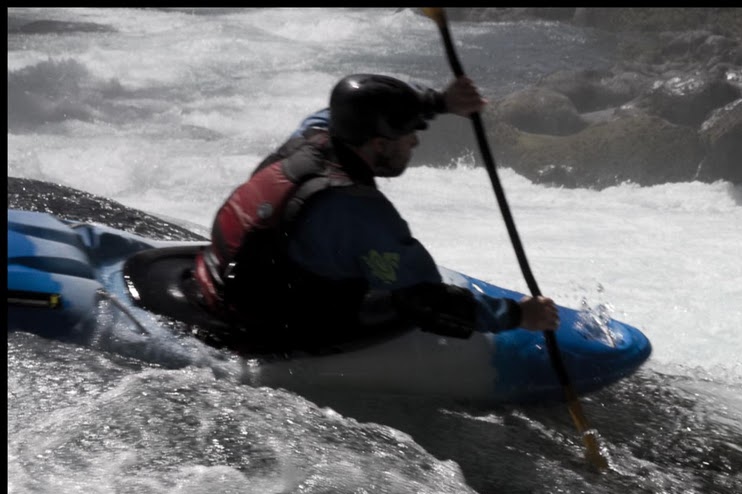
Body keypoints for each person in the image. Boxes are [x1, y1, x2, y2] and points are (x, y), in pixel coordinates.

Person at [191, 72, 558, 354]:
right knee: (400, 295)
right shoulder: (360, 213)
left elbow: (352, 106)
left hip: (223, 274)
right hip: (268, 321)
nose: (415, 141)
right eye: (408, 134)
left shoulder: (314, 133)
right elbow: (426, 302)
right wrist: (517, 315)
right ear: (379, 143)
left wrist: (441, 101)